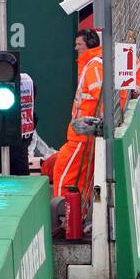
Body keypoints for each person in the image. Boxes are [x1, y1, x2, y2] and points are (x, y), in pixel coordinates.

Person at [41, 30, 102, 213]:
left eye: (79, 45)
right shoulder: (91, 65)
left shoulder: (93, 66)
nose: (76, 49)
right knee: (78, 179)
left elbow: (100, 97)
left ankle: (65, 217)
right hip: (84, 134)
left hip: (82, 136)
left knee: (65, 175)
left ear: (90, 45)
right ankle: (76, 217)